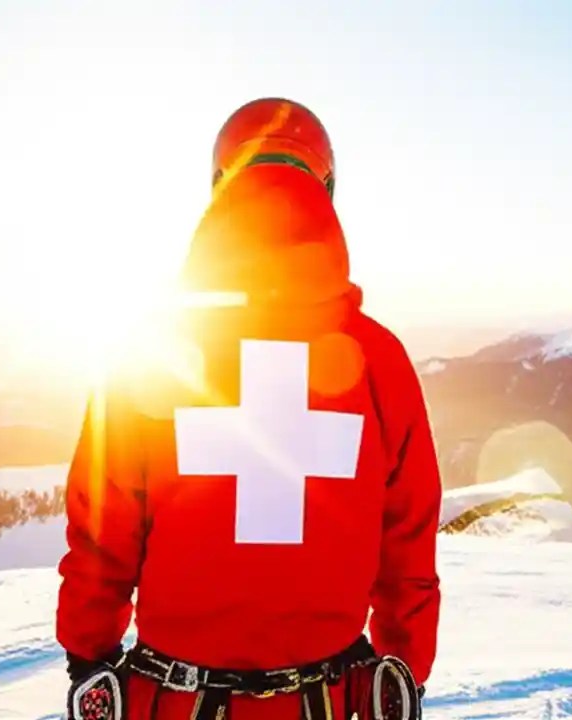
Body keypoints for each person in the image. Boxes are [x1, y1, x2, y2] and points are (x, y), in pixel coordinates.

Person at [57, 97, 442, 720]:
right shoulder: (380, 360)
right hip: (331, 704)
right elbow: (409, 550)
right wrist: (403, 673)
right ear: (326, 190)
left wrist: (89, 657)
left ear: (219, 192)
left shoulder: (153, 351)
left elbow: (103, 526)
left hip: (173, 705)